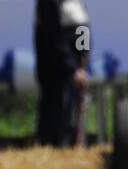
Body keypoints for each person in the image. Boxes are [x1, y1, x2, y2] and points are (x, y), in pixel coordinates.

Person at [35, 0, 91, 147]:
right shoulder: (49, 3)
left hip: (74, 70)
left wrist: (82, 61)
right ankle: (52, 146)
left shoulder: (77, 2)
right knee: (55, 113)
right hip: (55, 71)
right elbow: (54, 38)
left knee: (72, 112)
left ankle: (68, 144)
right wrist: (72, 68)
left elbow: (83, 29)